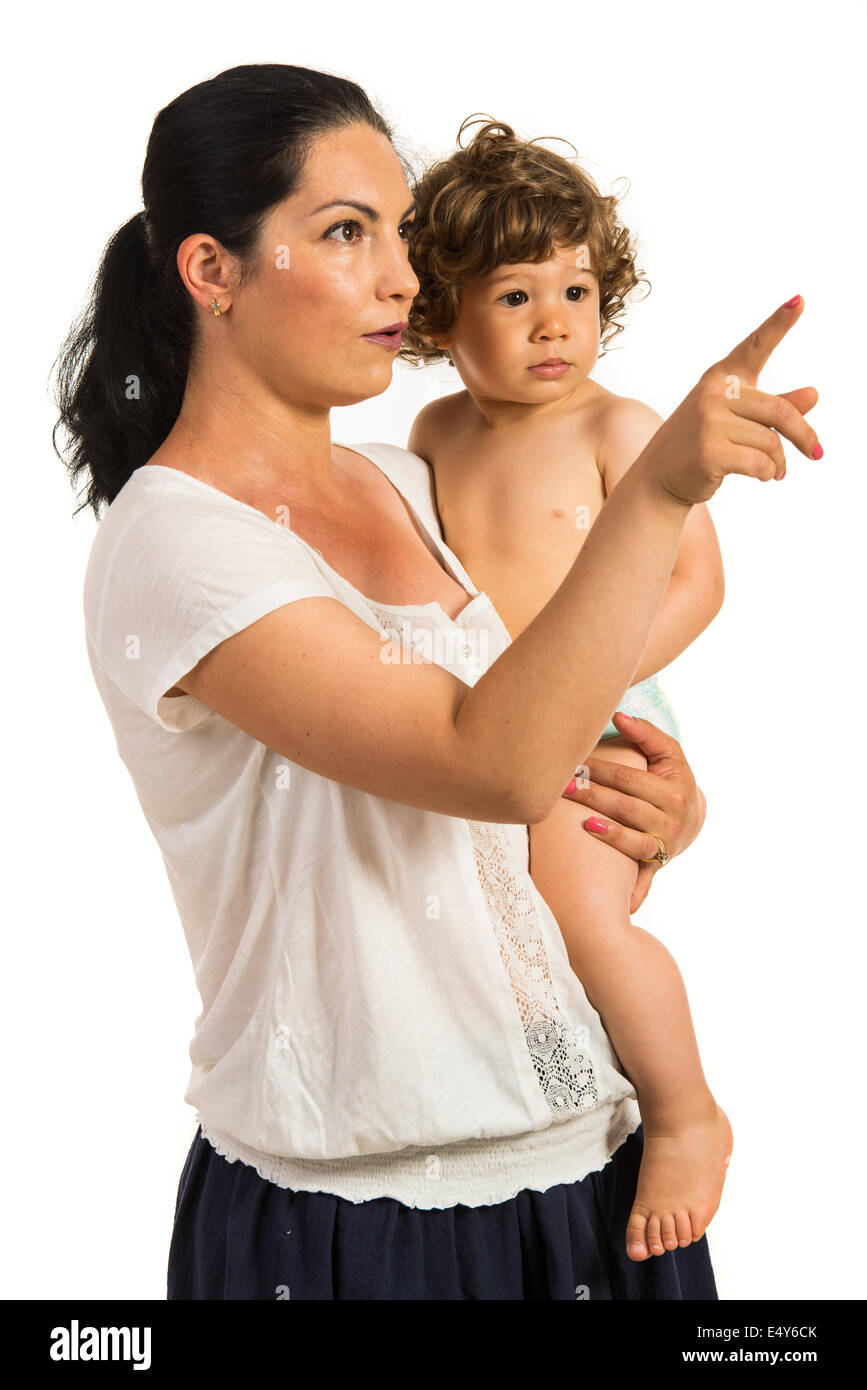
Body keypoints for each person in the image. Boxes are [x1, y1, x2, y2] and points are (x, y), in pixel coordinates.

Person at [52, 63, 820, 1301]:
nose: (403, 279)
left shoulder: (401, 481)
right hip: (365, 1217)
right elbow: (485, 756)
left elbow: (518, 777)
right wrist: (663, 487)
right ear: (212, 271)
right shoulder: (178, 546)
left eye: (400, 235)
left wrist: (652, 812)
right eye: (346, 233)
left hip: (592, 1160)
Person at [398, 117, 733, 1262]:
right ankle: (558, 1092)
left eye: (580, 291)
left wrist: (605, 675)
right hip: (490, 731)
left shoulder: (618, 428)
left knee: (581, 913)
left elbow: (697, 578)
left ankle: (687, 1113)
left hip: (601, 722)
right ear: (437, 318)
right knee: (508, 929)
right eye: (514, 296)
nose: (557, 322)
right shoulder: (434, 431)